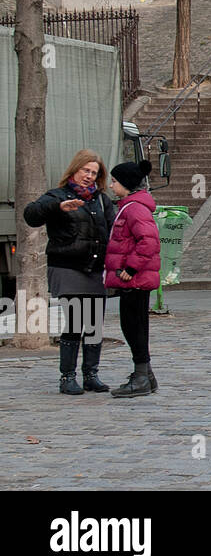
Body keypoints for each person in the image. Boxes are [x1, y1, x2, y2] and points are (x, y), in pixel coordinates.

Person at [22, 149, 115, 394]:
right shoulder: (57, 195)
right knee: (75, 321)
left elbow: (112, 230)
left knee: (94, 324)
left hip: (95, 269)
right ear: (76, 168)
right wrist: (56, 207)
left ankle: (91, 374)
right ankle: (67, 377)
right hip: (68, 267)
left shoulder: (101, 200)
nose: (89, 176)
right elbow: (31, 215)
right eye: (86, 170)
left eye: (94, 173)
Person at [105, 160, 161, 398]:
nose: (110, 185)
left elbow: (148, 241)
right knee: (136, 324)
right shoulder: (131, 206)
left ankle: (141, 376)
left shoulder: (134, 208)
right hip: (136, 278)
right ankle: (145, 375)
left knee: (132, 325)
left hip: (134, 279)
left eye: (114, 181)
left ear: (126, 184)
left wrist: (130, 267)